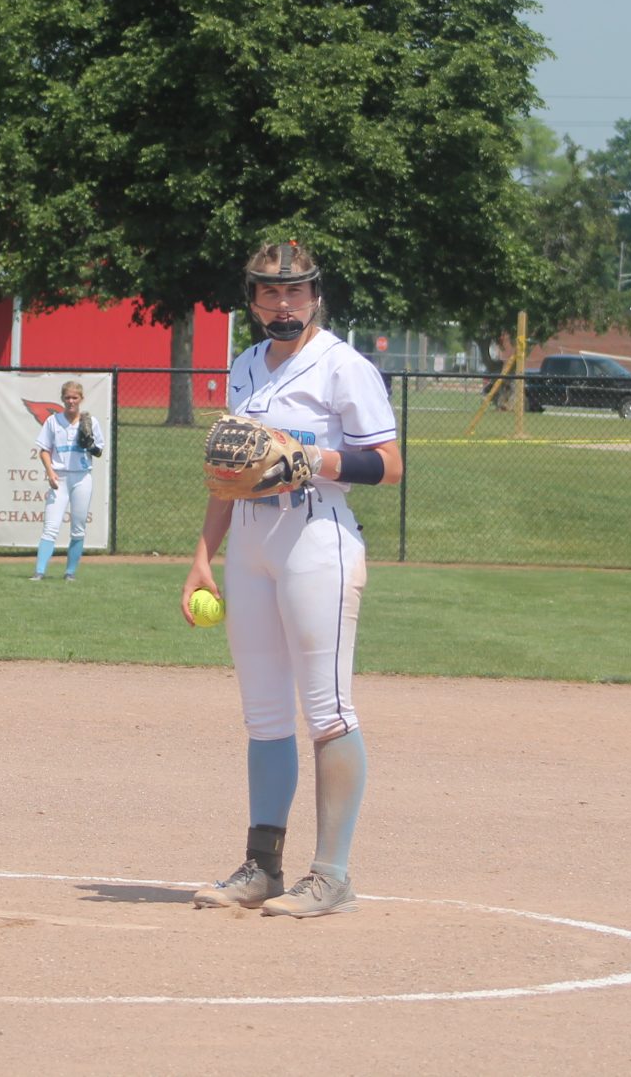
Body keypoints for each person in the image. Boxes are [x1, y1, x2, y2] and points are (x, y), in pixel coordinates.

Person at [180, 241, 402, 919]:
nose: (284, 304)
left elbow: (389, 464)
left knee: (328, 709)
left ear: (315, 296)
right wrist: (203, 555)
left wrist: (315, 456)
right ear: (252, 301)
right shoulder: (246, 364)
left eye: (295, 292)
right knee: (265, 713)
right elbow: (230, 470)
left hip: (315, 538)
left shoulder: (342, 365)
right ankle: (263, 868)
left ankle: (331, 875)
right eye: (270, 293)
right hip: (251, 542)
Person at [29, 380, 102, 581]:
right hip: (59, 477)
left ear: (81, 399)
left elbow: (99, 452)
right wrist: (50, 472)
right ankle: (39, 571)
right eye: (67, 397)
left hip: (81, 477)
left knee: (78, 527)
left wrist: (90, 446)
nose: (71, 401)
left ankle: (70, 573)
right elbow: (44, 450)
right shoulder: (53, 421)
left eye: (75, 397)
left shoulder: (90, 422)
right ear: (62, 398)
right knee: (50, 527)